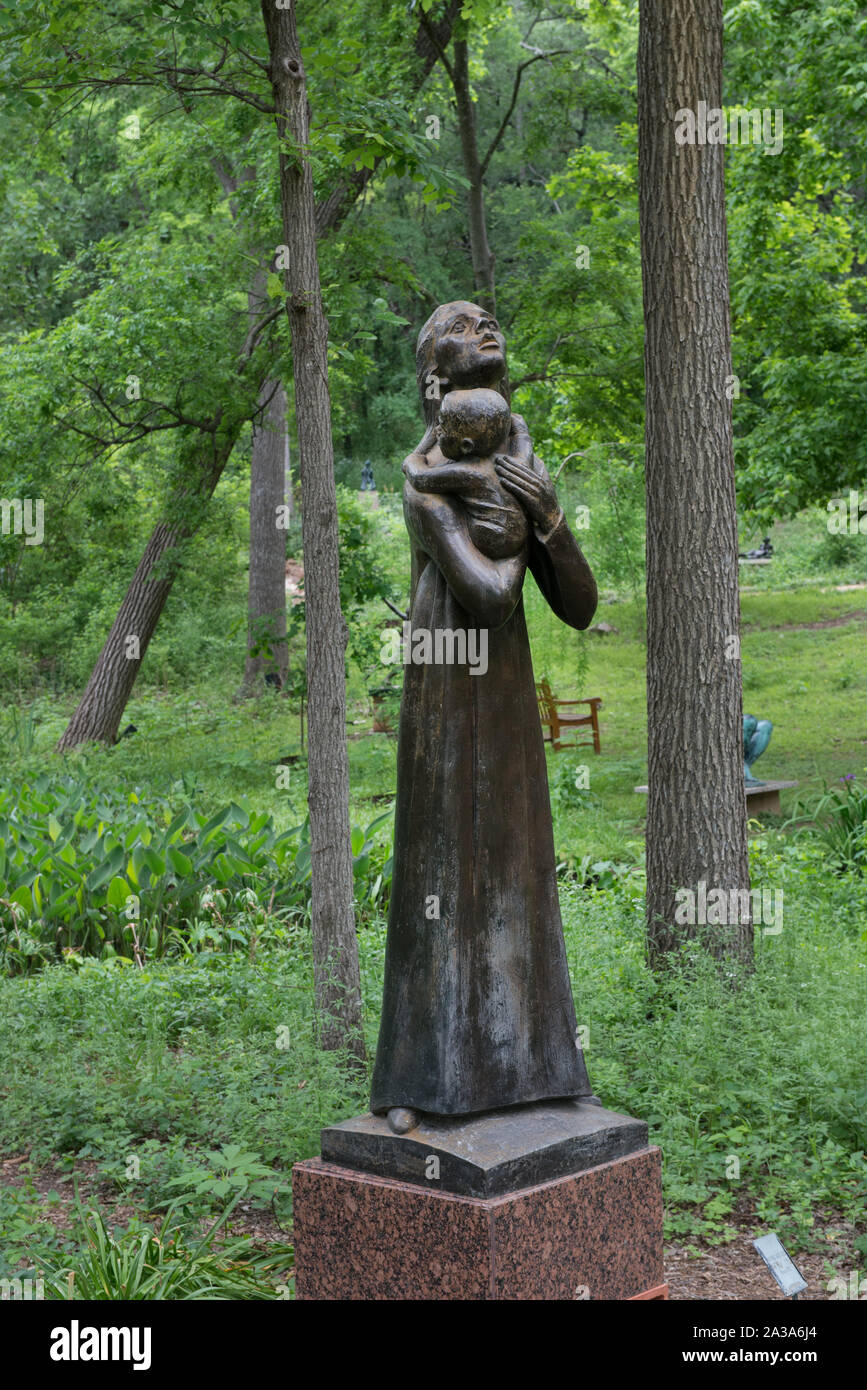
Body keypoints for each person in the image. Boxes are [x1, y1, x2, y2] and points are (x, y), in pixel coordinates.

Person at [370, 301, 601, 1134]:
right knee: (441, 867)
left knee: (520, 861)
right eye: (464, 324)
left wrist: (546, 517)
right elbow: (492, 597)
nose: (488, 325)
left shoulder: (517, 460)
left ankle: (539, 1063)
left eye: (491, 318)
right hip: (446, 682)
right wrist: (506, 537)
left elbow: (575, 606)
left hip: (503, 688)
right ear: (436, 369)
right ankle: (419, 1077)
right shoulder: (422, 477)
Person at [402, 387, 529, 561]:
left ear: (467, 446)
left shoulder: (467, 473)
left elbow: (420, 478)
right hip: (519, 534)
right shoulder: (507, 463)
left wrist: (412, 460)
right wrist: (520, 430)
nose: (437, 430)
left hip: (494, 539)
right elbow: (524, 452)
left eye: (444, 426)